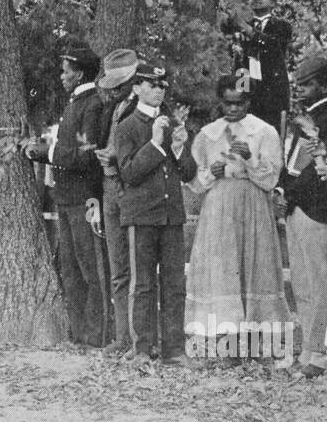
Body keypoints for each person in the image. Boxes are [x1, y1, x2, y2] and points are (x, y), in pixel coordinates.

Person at [187, 75, 290, 363]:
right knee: (224, 266)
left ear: (249, 102)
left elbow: (272, 177)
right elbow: (194, 178)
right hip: (220, 203)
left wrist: (251, 161)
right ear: (220, 102)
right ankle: (227, 340)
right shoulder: (208, 133)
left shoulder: (264, 131)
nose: (233, 109)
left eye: (240, 103)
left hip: (253, 202)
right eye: (228, 103)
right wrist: (211, 174)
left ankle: (257, 340)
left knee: (253, 263)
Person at [21, 47, 108, 347]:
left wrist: (48, 152)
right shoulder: (75, 104)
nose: (61, 76)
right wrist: (39, 150)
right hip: (67, 198)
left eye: (65, 70)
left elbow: (85, 158)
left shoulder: (92, 105)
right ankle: (79, 334)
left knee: (90, 269)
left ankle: (97, 336)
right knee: (70, 270)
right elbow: (64, 152)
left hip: (85, 200)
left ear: (80, 72)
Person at [116, 63, 196, 363]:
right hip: (142, 216)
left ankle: (174, 349)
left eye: (163, 85)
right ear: (136, 88)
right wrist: (155, 144)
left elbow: (188, 172)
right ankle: (142, 348)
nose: (159, 90)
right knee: (143, 285)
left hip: (171, 216)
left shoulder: (173, 123)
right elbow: (129, 173)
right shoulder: (127, 126)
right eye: (151, 84)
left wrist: (177, 147)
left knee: (175, 285)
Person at [274, 56, 327, 377]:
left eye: (307, 83)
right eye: (297, 83)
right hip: (294, 207)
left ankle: (320, 354)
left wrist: (290, 192)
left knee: (319, 282)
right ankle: (306, 351)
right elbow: (289, 160)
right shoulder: (298, 118)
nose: (300, 90)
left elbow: (322, 168)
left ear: (326, 84)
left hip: (317, 209)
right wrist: (280, 190)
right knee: (301, 282)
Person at [92, 49, 139, 355]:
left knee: (140, 267)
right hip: (109, 188)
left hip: (132, 190)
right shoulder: (111, 108)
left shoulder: (146, 106)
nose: (113, 91)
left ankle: (141, 336)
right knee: (118, 267)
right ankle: (123, 336)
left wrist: (117, 157)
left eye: (119, 84)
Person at [222, 0, 293, 133]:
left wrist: (245, 27)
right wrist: (241, 95)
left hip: (273, 96)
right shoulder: (240, 28)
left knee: (271, 140)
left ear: (273, 2)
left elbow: (273, 46)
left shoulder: (282, 26)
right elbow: (240, 65)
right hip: (250, 95)